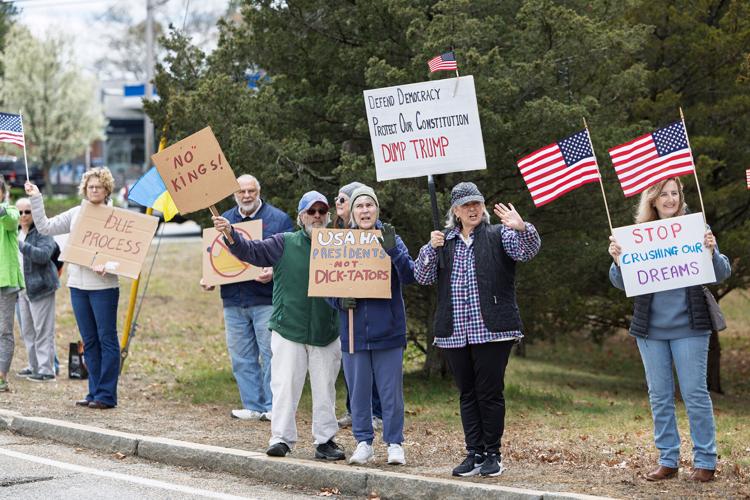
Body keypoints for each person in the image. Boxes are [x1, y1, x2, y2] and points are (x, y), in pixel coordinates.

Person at [608, 177, 731, 483]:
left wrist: (712, 251)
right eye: (664, 194)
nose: (670, 198)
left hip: (690, 326)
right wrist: (617, 261)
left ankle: (705, 461)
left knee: (694, 394)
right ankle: (668, 459)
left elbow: (721, 272)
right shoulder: (636, 237)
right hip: (650, 330)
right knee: (660, 396)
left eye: (675, 193)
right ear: (652, 199)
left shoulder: (695, 230)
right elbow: (623, 283)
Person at [414, 181, 541, 478]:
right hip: (455, 330)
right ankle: (474, 452)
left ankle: (493, 455)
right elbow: (421, 276)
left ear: (483, 208)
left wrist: (523, 227)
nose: (473, 209)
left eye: (477, 204)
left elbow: (527, 251)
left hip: (493, 329)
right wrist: (430, 249)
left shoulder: (500, 235)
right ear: (456, 211)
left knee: (490, 392)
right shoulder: (444, 241)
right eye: (466, 205)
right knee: (467, 393)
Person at [213, 191, 344, 460]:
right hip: (289, 328)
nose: (317, 216)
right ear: (300, 217)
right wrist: (230, 234)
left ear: (329, 217)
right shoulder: (284, 242)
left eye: (322, 211)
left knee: (325, 388)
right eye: (311, 211)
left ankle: (325, 441)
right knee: (284, 385)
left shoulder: (340, 245)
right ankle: (281, 438)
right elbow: (251, 251)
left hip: (326, 329)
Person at [326, 185, 414, 466]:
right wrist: (339, 301)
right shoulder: (339, 241)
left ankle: (395, 443)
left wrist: (393, 252)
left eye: (369, 205)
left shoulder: (391, 238)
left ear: (377, 209)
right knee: (358, 392)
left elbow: (410, 275)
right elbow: (325, 283)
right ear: (352, 211)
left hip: (387, 330)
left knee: (390, 393)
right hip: (353, 332)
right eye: (360, 206)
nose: (365, 211)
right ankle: (363, 442)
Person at [26, 168, 122, 409]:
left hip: (104, 286)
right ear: (84, 189)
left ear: (106, 189)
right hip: (78, 286)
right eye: (90, 186)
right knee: (89, 341)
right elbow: (46, 227)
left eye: (99, 186)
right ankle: (94, 392)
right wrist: (36, 199)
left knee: (106, 338)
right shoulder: (76, 213)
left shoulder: (116, 217)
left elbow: (126, 253)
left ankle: (107, 395)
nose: (94, 190)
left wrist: (109, 265)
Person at [200, 174, 294, 421]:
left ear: (259, 191)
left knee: (272, 354)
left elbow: (293, 257)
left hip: (266, 300)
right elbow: (215, 258)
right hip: (233, 299)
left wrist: (273, 271)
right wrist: (208, 278)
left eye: (251, 191)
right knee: (241, 356)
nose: (247, 196)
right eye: (242, 192)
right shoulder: (224, 221)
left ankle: (274, 407)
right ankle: (252, 405)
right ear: (234, 194)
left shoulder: (279, 219)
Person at [331, 180, 383, 431]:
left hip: (374, 314)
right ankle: (355, 410)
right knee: (353, 365)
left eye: (342, 199)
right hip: (349, 316)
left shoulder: (376, 231)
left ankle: (376, 412)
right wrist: (337, 299)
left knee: (373, 367)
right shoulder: (336, 233)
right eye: (337, 200)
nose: (337, 204)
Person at [15, 197, 60, 381]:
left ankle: (46, 370)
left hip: (41, 287)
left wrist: (21, 245)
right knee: (27, 331)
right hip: (21, 290)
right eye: (20, 212)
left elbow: (43, 256)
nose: (24, 215)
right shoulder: (14, 231)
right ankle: (33, 366)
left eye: (28, 211)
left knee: (43, 330)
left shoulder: (42, 231)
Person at [0, 178, 24, 392]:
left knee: (4, 330)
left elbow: (10, 221)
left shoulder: (10, 211)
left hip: (5, 282)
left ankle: (1, 376)